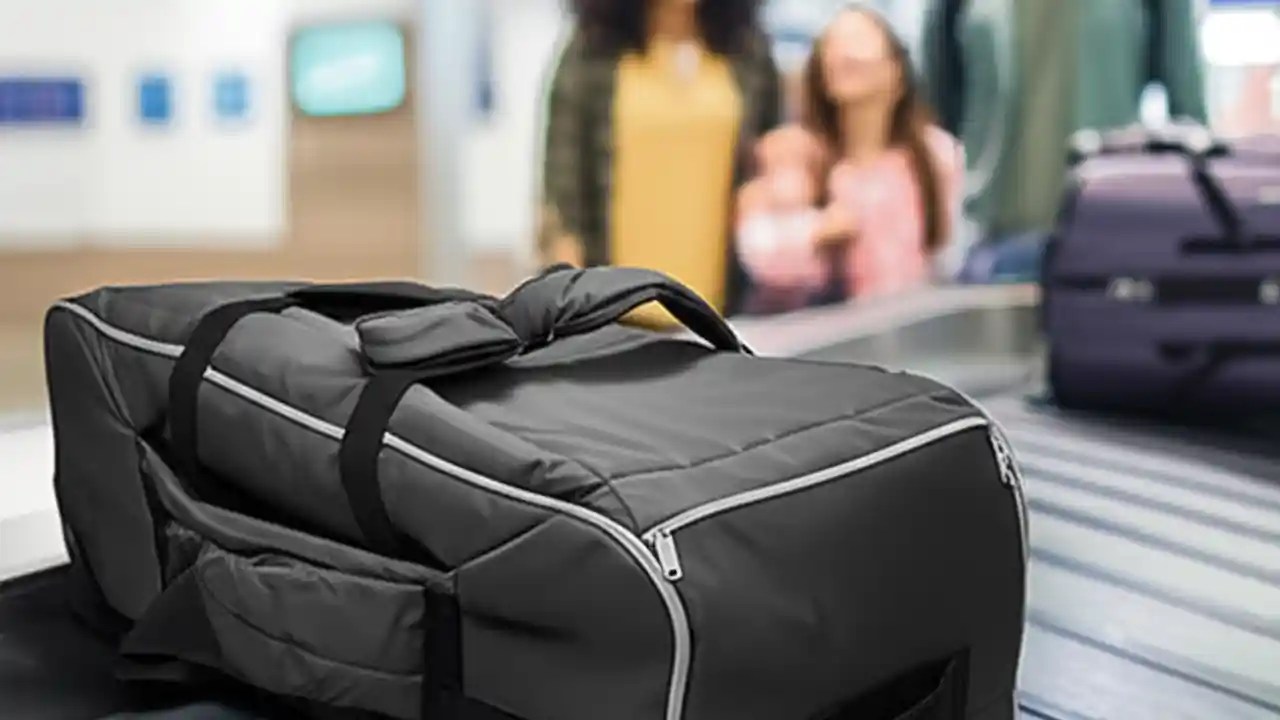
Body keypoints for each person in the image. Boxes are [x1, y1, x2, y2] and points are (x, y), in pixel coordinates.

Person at [538, 0, 782, 320]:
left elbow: (771, 162)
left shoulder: (748, 51)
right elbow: (561, 179)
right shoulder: (593, 50)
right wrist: (569, 290)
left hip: (723, 310)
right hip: (614, 311)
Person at [736, 4, 963, 308]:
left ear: (896, 69)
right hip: (829, 334)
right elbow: (759, 250)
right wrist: (818, 232)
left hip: (912, 330)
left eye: (861, 40)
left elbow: (952, 251)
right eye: (835, 45)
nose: (847, 53)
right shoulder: (800, 155)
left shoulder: (936, 155)